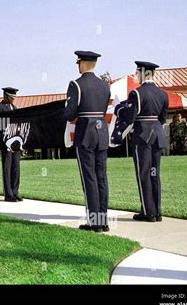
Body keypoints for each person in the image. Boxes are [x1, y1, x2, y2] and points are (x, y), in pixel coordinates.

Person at [64, 50, 111, 232]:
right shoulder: (104, 85)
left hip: (86, 133)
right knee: (101, 177)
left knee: (89, 177)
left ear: (82, 63)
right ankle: (103, 220)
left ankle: (94, 222)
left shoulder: (76, 84)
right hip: (101, 132)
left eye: (78, 63)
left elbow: (70, 114)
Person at [116, 61, 169, 222]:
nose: (135, 75)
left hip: (143, 135)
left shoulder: (136, 93)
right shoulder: (163, 94)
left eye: (137, 72)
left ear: (144, 73)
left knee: (144, 173)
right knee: (155, 173)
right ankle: (157, 210)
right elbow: (162, 118)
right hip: (157, 135)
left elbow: (129, 116)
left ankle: (147, 212)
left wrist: (118, 108)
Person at [0, 87, 22, 202]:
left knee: (16, 168)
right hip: (6, 143)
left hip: (16, 143)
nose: (13, 99)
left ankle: (15, 192)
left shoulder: (15, 108)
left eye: (14, 97)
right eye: (11, 97)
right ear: (5, 95)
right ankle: (8, 194)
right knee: (7, 168)